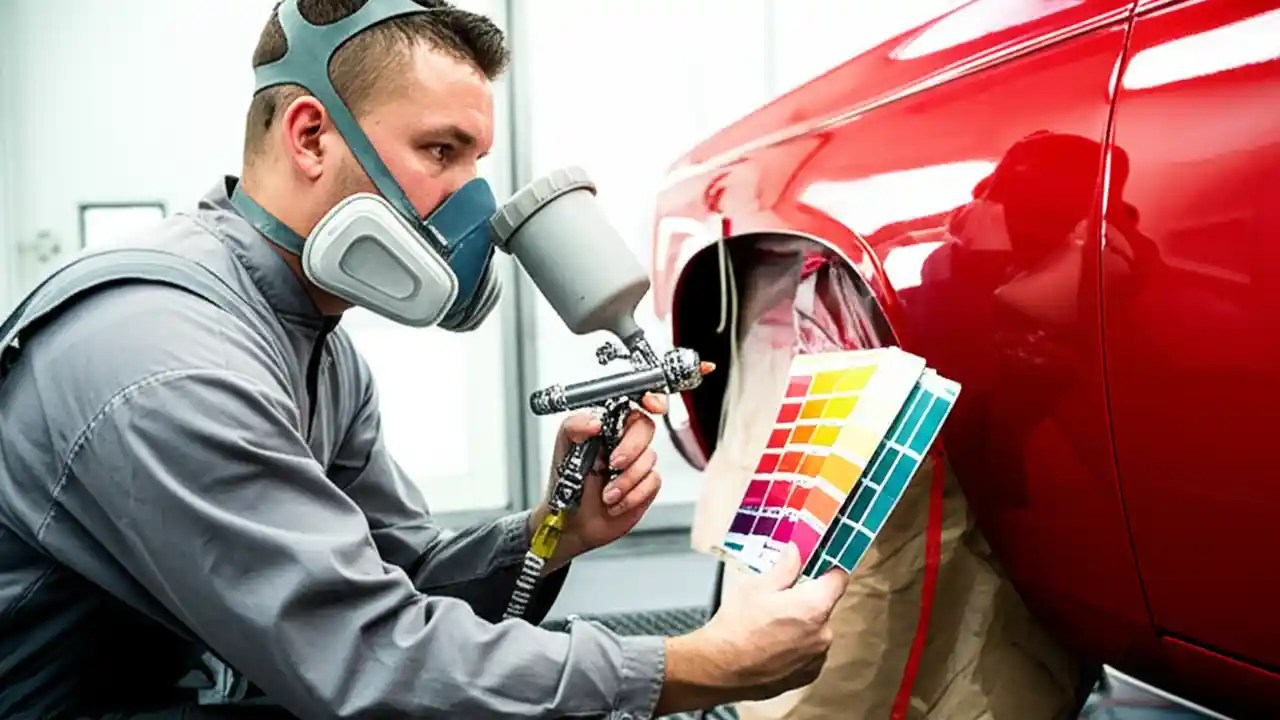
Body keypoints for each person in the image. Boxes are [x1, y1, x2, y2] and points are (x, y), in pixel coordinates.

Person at [0, 0, 850, 718]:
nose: (473, 202)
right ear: (310, 136)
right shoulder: (171, 361)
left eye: (477, 161)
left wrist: (551, 532)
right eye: (442, 152)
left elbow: (399, 578)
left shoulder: (315, 344)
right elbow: (368, 656)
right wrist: (696, 667)